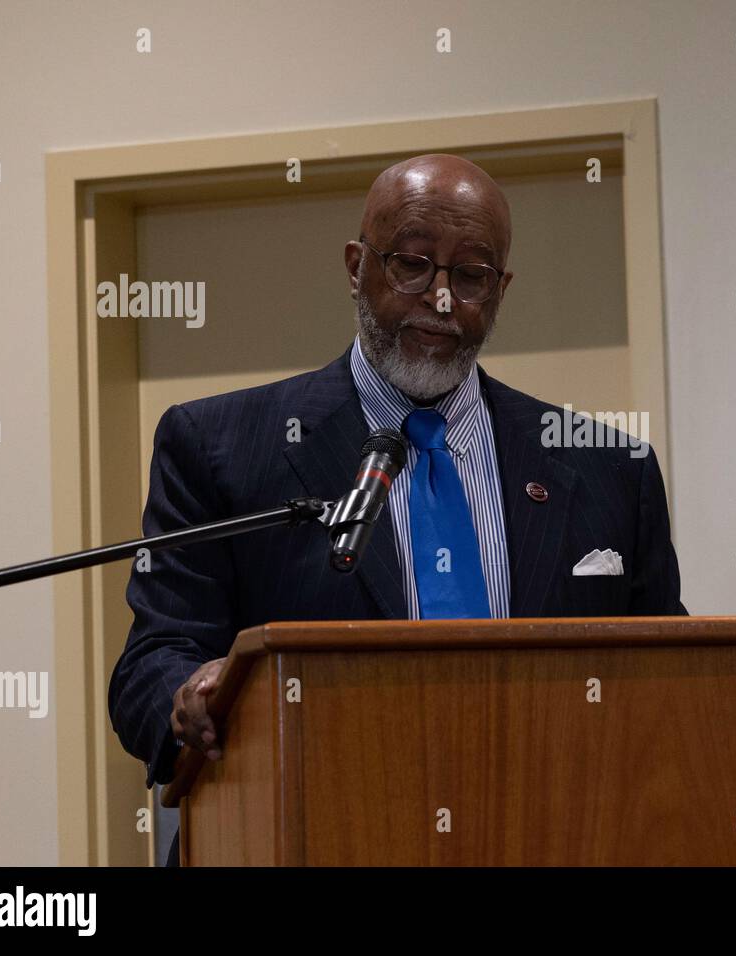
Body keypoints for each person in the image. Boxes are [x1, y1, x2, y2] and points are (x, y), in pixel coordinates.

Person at [107, 153, 686, 866]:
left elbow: (670, 685)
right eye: (411, 263)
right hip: (309, 837)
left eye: (470, 275)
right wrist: (187, 693)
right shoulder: (221, 445)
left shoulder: (607, 468)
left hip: (547, 836)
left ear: (500, 289)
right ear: (356, 266)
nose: (441, 298)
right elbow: (149, 667)